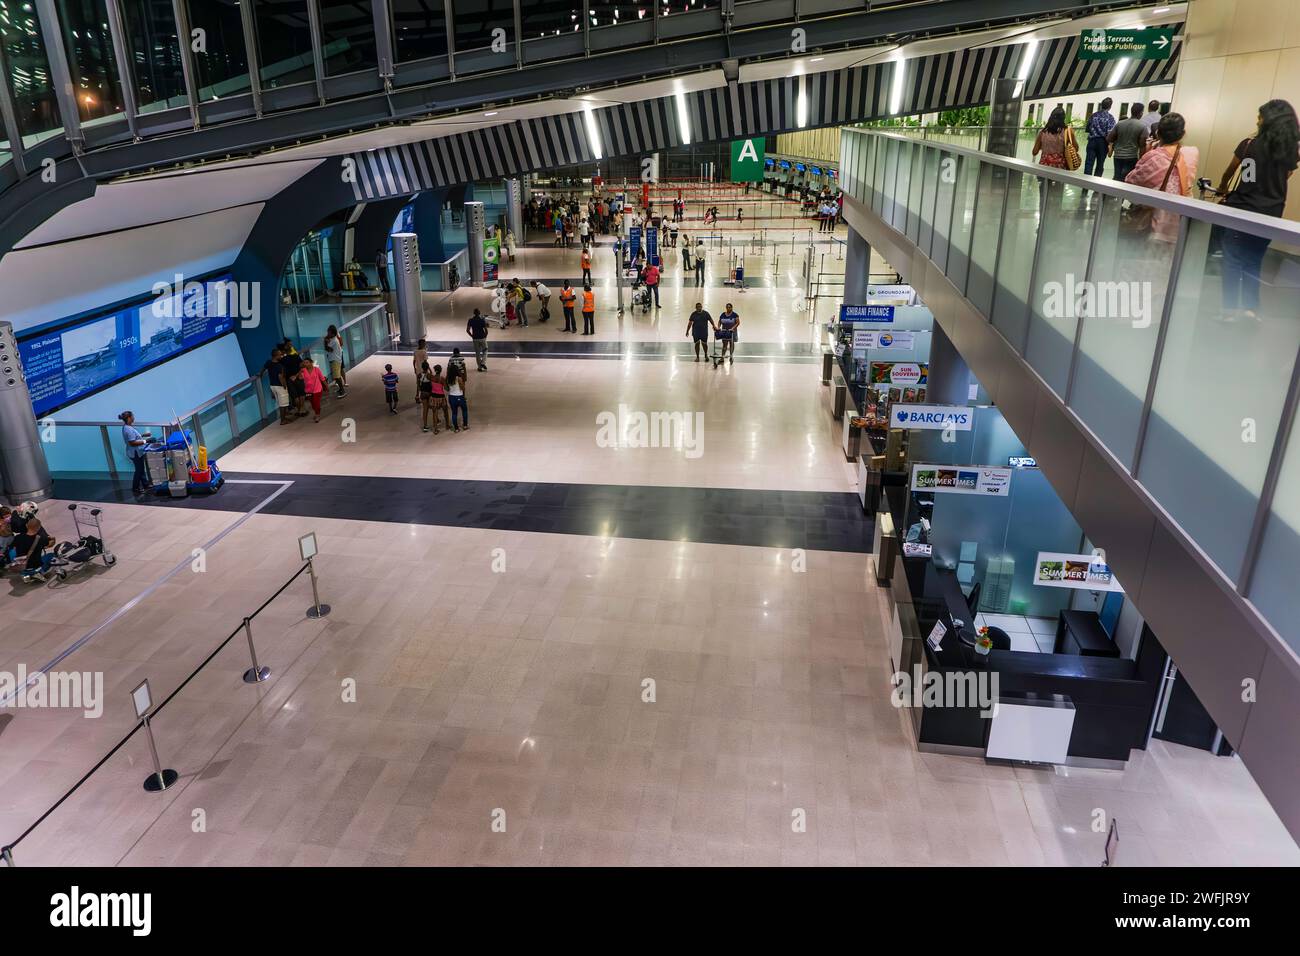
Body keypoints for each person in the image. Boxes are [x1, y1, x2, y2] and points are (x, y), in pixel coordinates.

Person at [1215, 99, 1299, 320]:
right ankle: (1251, 308)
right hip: (1272, 213)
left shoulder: (1248, 145)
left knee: (1232, 258)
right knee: (1253, 259)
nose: (1257, 120)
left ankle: (1229, 310)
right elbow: (1285, 177)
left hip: (1242, 209)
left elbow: (1231, 172)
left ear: (1267, 120)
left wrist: (1223, 187)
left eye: (1260, 116)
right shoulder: (1290, 151)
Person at [1124, 111, 1198, 245]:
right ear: (1183, 133)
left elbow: (1131, 182)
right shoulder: (1191, 154)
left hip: (1156, 224)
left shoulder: (1154, 157)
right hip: (1181, 221)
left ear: (1158, 133)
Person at [1108, 103, 1148, 182]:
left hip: (1118, 155)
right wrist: (1141, 159)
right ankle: (1121, 194)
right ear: (1141, 113)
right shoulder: (1142, 126)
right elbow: (1142, 145)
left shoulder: (1120, 124)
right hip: (1131, 156)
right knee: (1127, 179)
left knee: (1117, 177)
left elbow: (1109, 138)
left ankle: (1111, 193)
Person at [119, 411, 152, 495]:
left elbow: (134, 437)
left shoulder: (128, 427)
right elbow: (132, 442)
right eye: (133, 416)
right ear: (129, 418)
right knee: (139, 470)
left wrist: (143, 435)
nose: (134, 417)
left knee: (141, 469)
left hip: (137, 452)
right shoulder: (128, 429)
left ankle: (145, 485)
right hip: (135, 453)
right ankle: (135, 487)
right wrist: (146, 441)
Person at [1084, 97, 1116, 177]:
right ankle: (1096, 187)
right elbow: (1110, 133)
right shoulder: (1110, 118)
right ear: (1110, 106)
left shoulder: (1093, 115)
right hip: (1103, 142)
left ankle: (1085, 186)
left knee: (1089, 163)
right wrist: (1110, 145)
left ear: (1102, 105)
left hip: (1092, 141)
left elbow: (1087, 128)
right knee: (1100, 164)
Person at [263, 347, 291, 425]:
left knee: (280, 403)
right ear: (276, 356)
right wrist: (284, 386)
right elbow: (280, 376)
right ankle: (283, 420)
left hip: (272, 386)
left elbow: (263, 368)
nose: (281, 356)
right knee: (283, 404)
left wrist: (260, 374)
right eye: (280, 355)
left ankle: (284, 417)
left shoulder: (269, 362)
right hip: (280, 386)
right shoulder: (279, 366)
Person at [280, 343, 306, 418]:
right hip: (298, 377)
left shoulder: (282, 360)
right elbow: (302, 366)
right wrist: (296, 375)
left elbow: (282, 371)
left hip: (289, 379)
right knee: (301, 394)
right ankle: (302, 409)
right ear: (291, 350)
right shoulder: (296, 356)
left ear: (284, 351)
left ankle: (299, 410)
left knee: (295, 396)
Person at [300, 356, 328, 422]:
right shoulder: (303, 371)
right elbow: (301, 378)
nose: (305, 364)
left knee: (316, 402)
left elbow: (322, 378)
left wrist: (326, 386)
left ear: (311, 363)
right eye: (304, 363)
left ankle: (317, 415)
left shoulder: (316, 369)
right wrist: (300, 371)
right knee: (312, 404)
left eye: (307, 362)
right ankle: (316, 411)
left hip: (317, 389)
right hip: (308, 390)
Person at [323, 324, 347, 398]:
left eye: (329, 332)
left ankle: (343, 391)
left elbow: (327, 348)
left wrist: (325, 341)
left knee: (337, 376)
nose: (328, 334)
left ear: (333, 333)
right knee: (336, 376)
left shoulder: (333, 341)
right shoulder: (334, 339)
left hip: (335, 360)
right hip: (335, 359)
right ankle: (340, 389)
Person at [447, 364, 469, 432]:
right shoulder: (458, 378)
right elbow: (462, 388)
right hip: (459, 396)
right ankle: (465, 425)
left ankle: (456, 428)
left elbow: (446, 388)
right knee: (464, 410)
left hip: (451, 397)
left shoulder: (447, 378)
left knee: (454, 413)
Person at [429, 364, 450, 433]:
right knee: (445, 411)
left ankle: (435, 429)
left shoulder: (432, 378)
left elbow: (430, 386)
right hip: (441, 397)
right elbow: (446, 388)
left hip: (433, 397)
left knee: (435, 413)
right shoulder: (442, 378)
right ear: (441, 370)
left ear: (435, 370)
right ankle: (447, 425)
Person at [417, 361, 435, 432]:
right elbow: (432, 384)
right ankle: (436, 421)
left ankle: (425, 426)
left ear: (422, 367)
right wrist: (430, 369)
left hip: (423, 393)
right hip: (429, 393)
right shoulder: (429, 375)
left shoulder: (419, 375)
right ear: (427, 367)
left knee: (425, 410)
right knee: (433, 407)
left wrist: (419, 393)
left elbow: (418, 385)